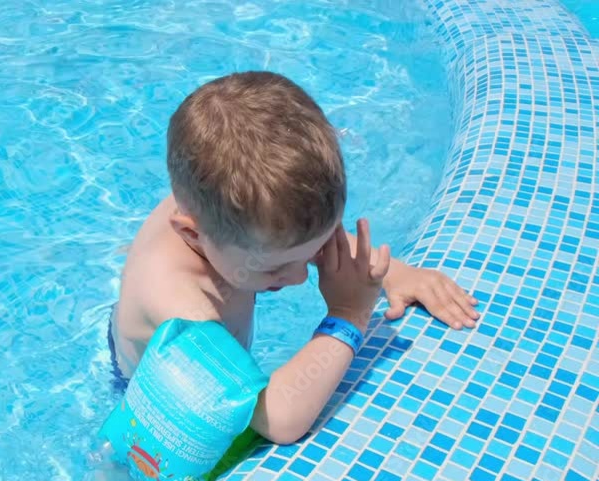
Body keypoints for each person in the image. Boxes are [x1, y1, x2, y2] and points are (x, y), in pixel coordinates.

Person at [109, 71, 479, 445]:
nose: (302, 277)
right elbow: (279, 420)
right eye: (276, 267)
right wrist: (348, 315)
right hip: (156, 397)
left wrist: (394, 274)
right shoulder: (181, 304)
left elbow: (292, 241)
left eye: (312, 250)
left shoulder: (228, 221)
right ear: (191, 235)